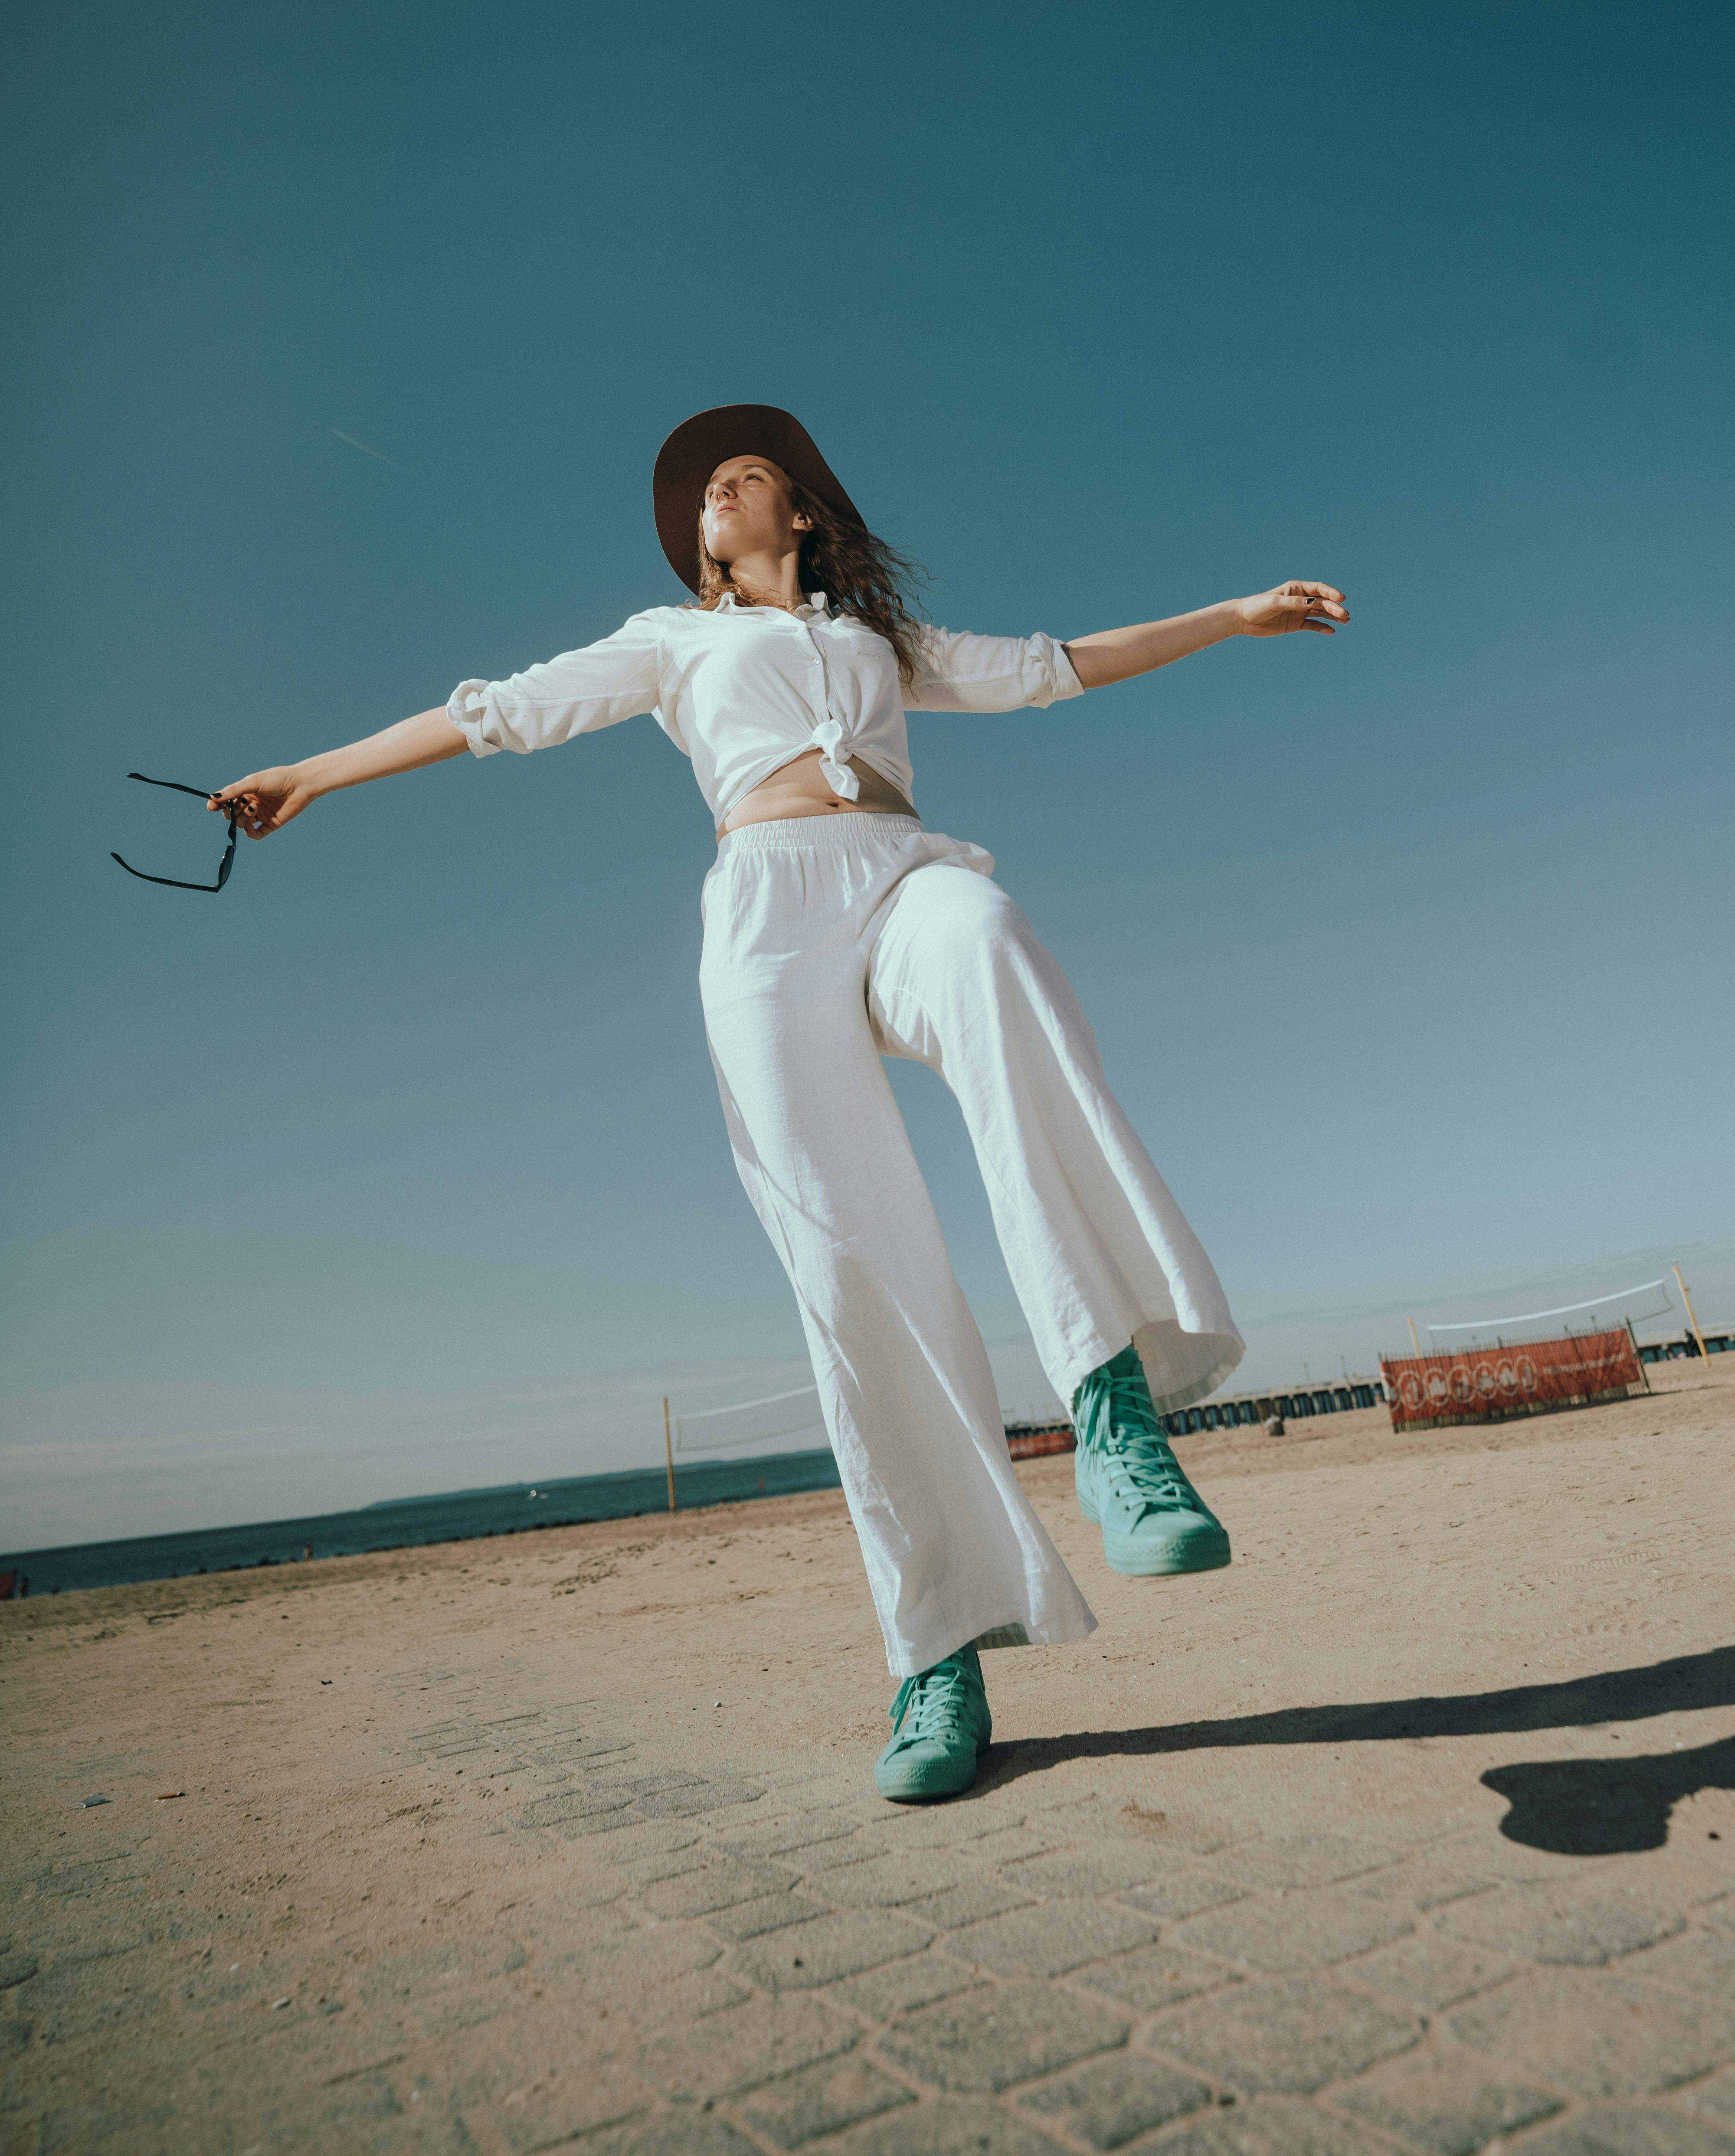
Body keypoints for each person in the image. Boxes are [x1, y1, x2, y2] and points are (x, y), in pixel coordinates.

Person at [212, 405, 1348, 1802]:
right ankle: (940, 1653)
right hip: (765, 922)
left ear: (801, 513)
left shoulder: (881, 641)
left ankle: (1114, 1418)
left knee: (990, 942)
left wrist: (1235, 616)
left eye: (745, 476)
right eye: (707, 490)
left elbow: (1057, 666)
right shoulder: (670, 640)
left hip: (900, 874)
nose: (720, 490)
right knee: (848, 1259)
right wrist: (310, 775)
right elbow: (491, 712)